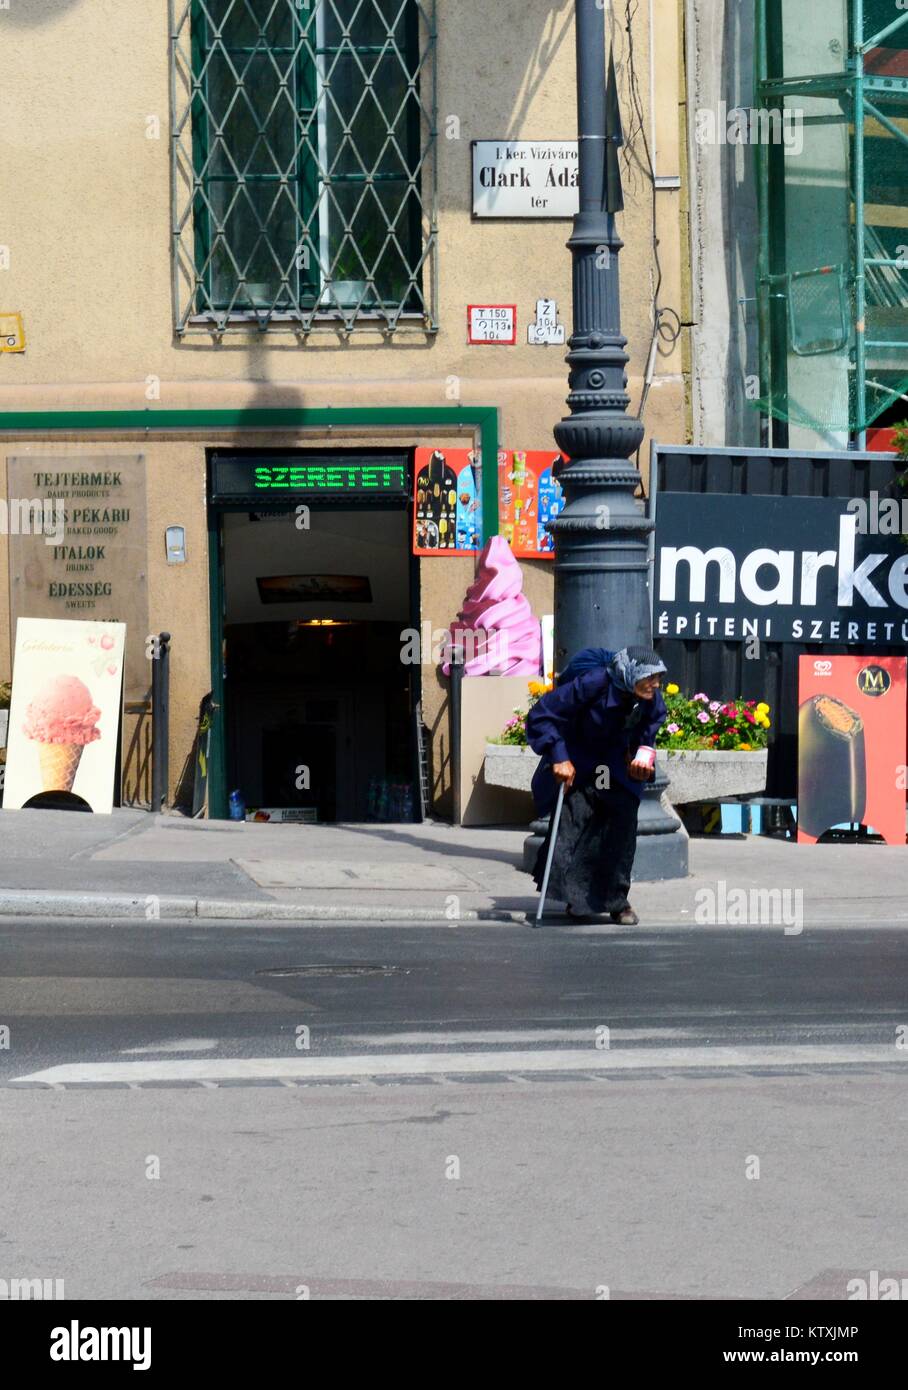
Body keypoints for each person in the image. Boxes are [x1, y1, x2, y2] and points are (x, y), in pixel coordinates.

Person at [525, 646, 668, 924]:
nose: (656, 685)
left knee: (621, 829)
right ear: (630, 673)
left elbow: (651, 724)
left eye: (658, 678)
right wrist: (558, 757)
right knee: (574, 826)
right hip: (580, 758)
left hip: (615, 763)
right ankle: (575, 900)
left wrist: (642, 754)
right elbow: (543, 714)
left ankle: (618, 902)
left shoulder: (648, 696)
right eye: (650, 677)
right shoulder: (594, 683)